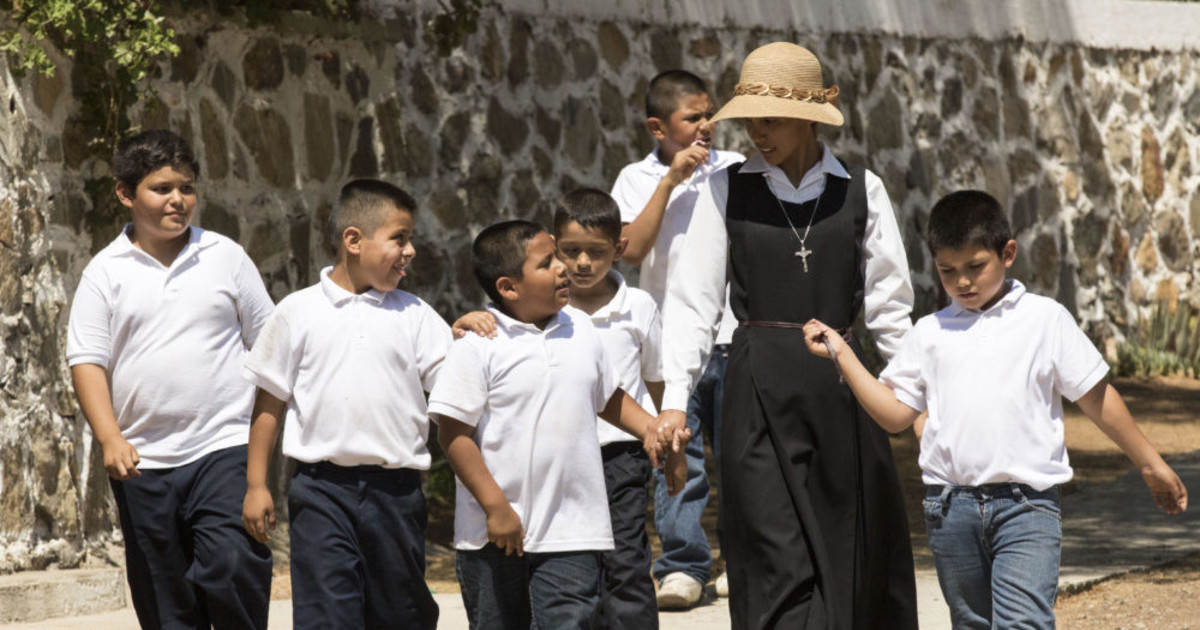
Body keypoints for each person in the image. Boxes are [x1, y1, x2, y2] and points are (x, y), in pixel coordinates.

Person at [804, 189, 1189, 629]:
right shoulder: (929, 333)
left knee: (1023, 623)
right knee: (972, 624)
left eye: (975, 267)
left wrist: (1149, 463)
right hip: (949, 510)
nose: (962, 282)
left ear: (1007, 253)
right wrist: (843, 355)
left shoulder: (1044, 319)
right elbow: (894, 415)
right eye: (948, 271)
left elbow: (1097, 398)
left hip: (1027, 507)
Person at [659, 42, 919, 629]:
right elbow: (693, 304)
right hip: (755, 394)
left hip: (843, 392)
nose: (757, 132)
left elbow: (890, 311)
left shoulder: (862, 190)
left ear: (809, 118)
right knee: (771, 553)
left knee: (848, 550)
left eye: (771, 119)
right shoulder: (723, 189)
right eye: (750, 119)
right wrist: (675, 400)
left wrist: (915, 398)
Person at [430, 220, 687, 629]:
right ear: (508, 287)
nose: (562, 268)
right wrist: (496, 508)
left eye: (557, 257)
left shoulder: (580, 327)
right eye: (546, 263)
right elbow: (453, 435)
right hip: (493, 535)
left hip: (574, 531)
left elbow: (607, 397)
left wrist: (652, 430)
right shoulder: (479, 346)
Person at [67, 129, 274, 630]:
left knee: (233, 564)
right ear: (126, 193)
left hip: (223, 446)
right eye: (162, 189)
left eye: (186, 188)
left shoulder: (225, 256)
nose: (177, 200)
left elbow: (271, 343)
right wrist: (110, 438)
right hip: (142, 463)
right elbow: (87, 360)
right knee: (165, 600)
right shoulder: (104, 272)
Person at [240, 180, 449, 630]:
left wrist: (469, 332)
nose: (410, 250)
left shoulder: (415, 314)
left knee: (401, 613)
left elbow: (455, 392)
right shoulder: (296, 311)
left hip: (397, 492)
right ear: (353, 240)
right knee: (326, 614)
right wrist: (257, 484)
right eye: (399, 238)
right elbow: (269, 404)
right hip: (321, 490)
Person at [611, 69, 745, 607]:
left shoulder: (736, 169)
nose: (706, 125)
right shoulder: (636, 177)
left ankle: (743, 560)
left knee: (741, 457)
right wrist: (670, 181)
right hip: (670, 342)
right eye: (693, 118)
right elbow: (630, 250)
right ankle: (683, 566)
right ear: (657, 128)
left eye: (710, 114)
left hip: (733, 333)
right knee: (677, 453)